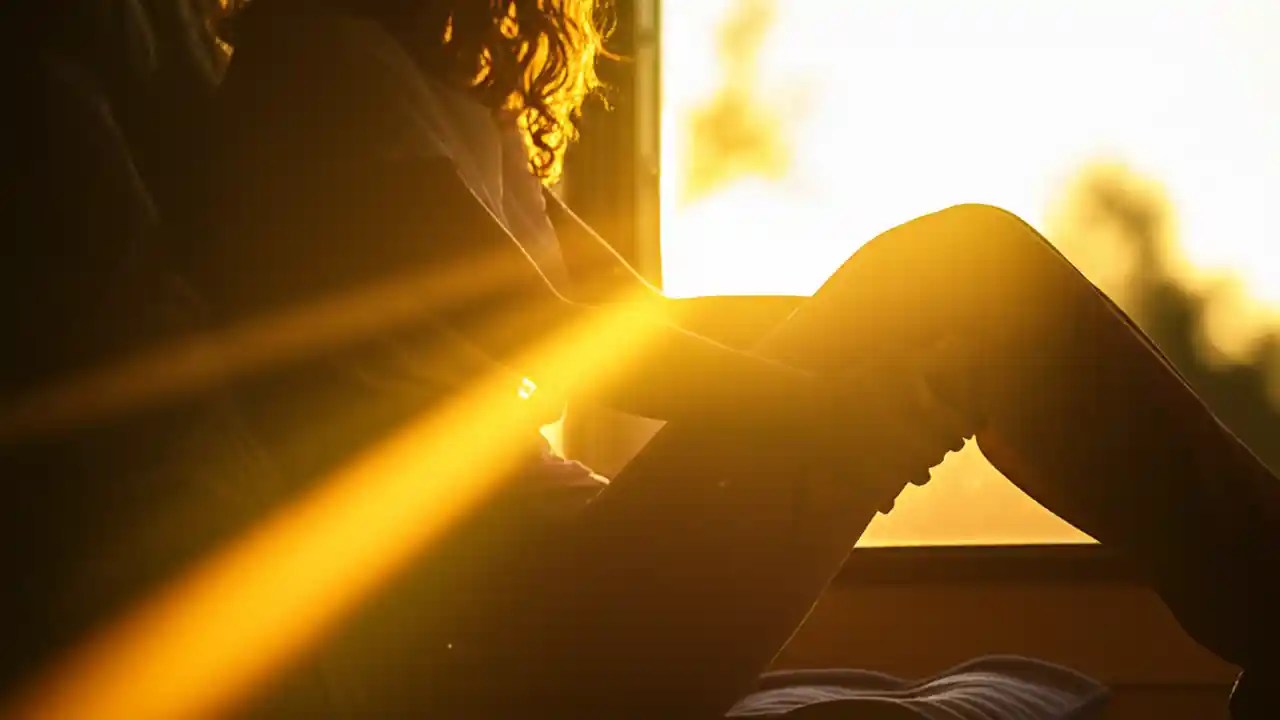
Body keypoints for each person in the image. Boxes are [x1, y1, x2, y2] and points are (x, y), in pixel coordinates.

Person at [187, 0, 1280, 716]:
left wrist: (875, 337)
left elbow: (629, 310)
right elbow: (559, 340)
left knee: (964, 280)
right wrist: (821, 403)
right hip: (496, 652)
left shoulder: (432, 84)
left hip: (562, 582)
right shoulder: (315, 75)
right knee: (966, 266)